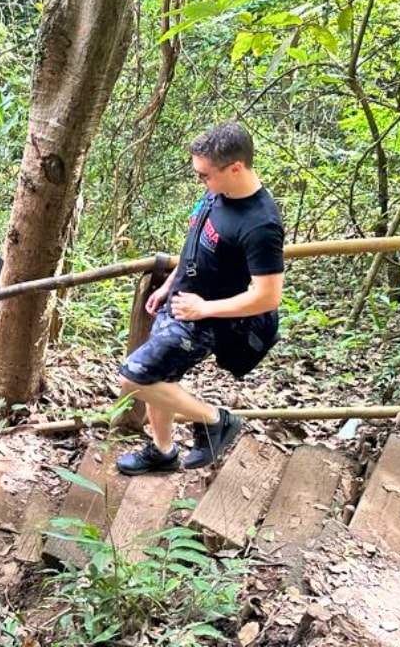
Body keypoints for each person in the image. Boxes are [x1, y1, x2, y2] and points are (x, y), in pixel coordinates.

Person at [116, 122, 285, 476]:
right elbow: (195, 240)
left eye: (204, 175)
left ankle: (216, 421)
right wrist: (169, 285)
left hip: (210, 318)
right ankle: (163, 451)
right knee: (161, 377)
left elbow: (267, 297)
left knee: (134, 379)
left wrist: (204, 309)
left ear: (235, 168)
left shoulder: (261, 225)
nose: (201, 181)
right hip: (181, 301)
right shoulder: (217, 193)